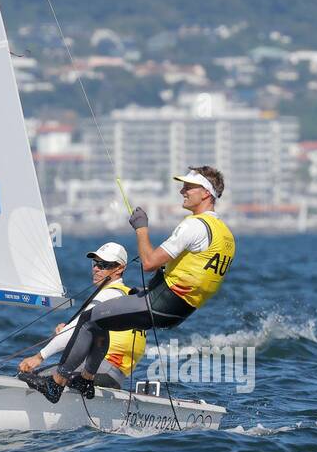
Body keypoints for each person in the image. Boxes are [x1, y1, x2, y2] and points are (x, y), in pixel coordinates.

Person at [27, 166, 236, 402]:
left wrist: (141, 228)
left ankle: (56, 384)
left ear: (206, 193)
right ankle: (86, 380)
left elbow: (148, 263)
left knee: (87, 321)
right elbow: (194, 275)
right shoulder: (225, 234)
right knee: (101, 322)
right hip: (178, 311)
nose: (182, 191)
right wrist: (149, 290)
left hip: (161, 304)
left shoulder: (194, 225)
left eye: (188, 187)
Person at [18, 242, 147, 403]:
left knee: (26, 377)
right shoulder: (128, 295)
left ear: (119, 268)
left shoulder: (108, 295)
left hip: (100, 369)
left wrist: (39, 357)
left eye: (104, 265)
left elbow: (76, 330)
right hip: (116, 376)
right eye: (95, 264)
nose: (96, 269)